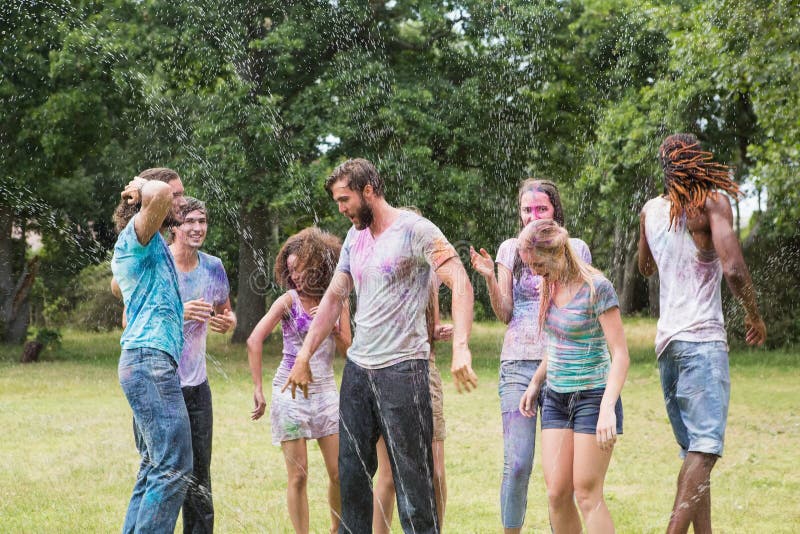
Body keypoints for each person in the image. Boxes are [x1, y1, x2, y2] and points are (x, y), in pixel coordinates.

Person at [284, 158, 478, 533]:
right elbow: (333, 298)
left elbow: (461, 281)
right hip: (359, 372)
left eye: (345, 200)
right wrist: (304, 354)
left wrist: (461, 348)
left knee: (412, 479)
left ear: (368, 191)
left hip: (403, 370)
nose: (341, 209)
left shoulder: (415, 230)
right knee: (351, 473)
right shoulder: (355, 238)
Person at [638, 133, 766, 534]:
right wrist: (753, 314)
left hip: (668, 349)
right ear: (699, 162)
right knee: (705, 450)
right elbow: (734, 269)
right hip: (702, 343)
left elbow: (644, 268)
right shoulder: (711, 202)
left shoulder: (651, 211)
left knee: (695, 453)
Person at [469, 179, 591, 534]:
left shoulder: (576, 248)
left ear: (555, 211)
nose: (533, 216)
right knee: (518, 463)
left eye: (542, 209)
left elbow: (579, 309)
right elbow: (505, 312)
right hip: (517, 365)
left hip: (562, 364)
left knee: (560, 475)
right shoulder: (511, 248)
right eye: (527, 210)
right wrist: (490, 279)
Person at [518, 219, 629, 534]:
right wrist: (536, 381)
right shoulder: (549, 286)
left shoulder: (597, 288)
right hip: (556, 398)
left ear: (556, 252)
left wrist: (607, 408)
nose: (535, 272)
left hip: (593, 398)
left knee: (586, 493)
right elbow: (557, 344)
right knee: (556, 494)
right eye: (530, 266)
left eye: (538, 263)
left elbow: (620, 354)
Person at [247, 227, 351, 534]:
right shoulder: (288, 301)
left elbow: (348, 350)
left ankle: (337, 528)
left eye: (301, 270)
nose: (296, 277)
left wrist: (330, 325)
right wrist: (258, 388)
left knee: (339, 472)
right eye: (291, 271)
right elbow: (254, 340)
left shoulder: (338, 300)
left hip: (325, 396)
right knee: (298, 476)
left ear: (319, 267)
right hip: (290, 396)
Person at [111, 168, 193, 533]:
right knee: (173, 466)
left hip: (147, 362)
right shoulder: (138, 236)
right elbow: (158, 192)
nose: (181, 201)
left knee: (154, 464)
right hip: (148, 361)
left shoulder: (148, 244)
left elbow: (117, 284)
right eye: (176, 195)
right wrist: (145, 189)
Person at [373, 208, 453, 534]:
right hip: (383, 371)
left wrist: (435, 331)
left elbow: (422, 323)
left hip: (424, 371)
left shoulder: (431, 273)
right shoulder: (379, 269)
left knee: (434, 469)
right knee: (389, 473)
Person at [169, 197, 236, 533]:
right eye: (188, 221)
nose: (197, 228)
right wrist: (178, 313)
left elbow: (225, 311)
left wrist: (229, 322)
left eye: (202, 220)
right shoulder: (158, 263)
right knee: (165, 470)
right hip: (162, 385)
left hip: (197, 387)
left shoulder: (213, 267)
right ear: (173, 227)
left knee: (199, 472)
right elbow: (129, 319)